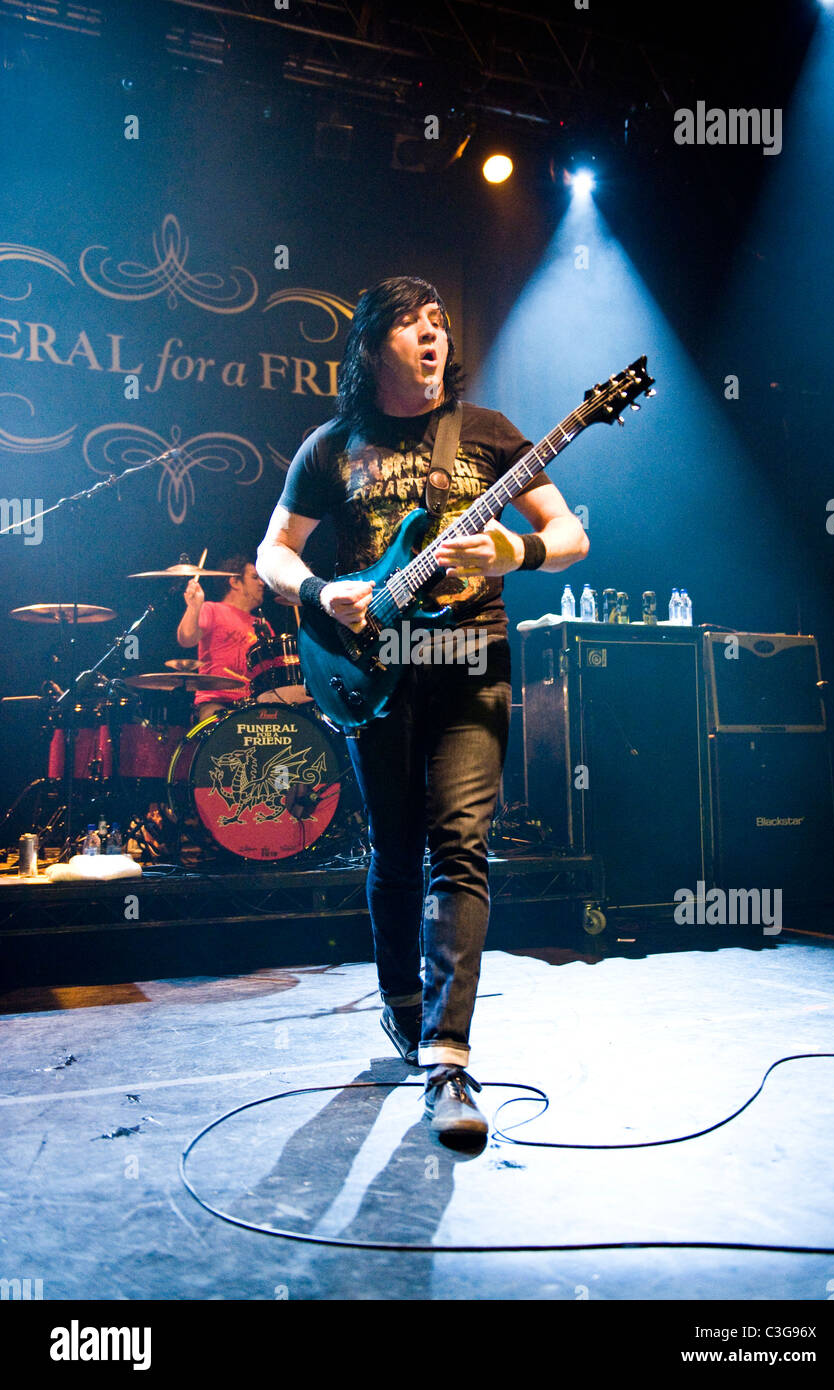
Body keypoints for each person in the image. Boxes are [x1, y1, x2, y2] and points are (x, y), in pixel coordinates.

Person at [256, 276, 588, 1147]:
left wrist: (515, 548)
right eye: (411, 323)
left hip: (472, 663)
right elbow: (273, 554)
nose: (432, 334)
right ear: (372, 349)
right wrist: (325, 594)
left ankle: (449, 1059)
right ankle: (403, 1002)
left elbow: (571, 536)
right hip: (375, 668)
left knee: (460, 847)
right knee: (396, 856)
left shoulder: (487, 436)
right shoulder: (331, 446)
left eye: (440, 320)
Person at [176, 555, 271, 721]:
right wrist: (194, 607)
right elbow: (187, 639)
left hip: (255, 704)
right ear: (234, 582)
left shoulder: (263, 625)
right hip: (216, 703)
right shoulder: (212, 609)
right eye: (255, 578)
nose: (262, 583)